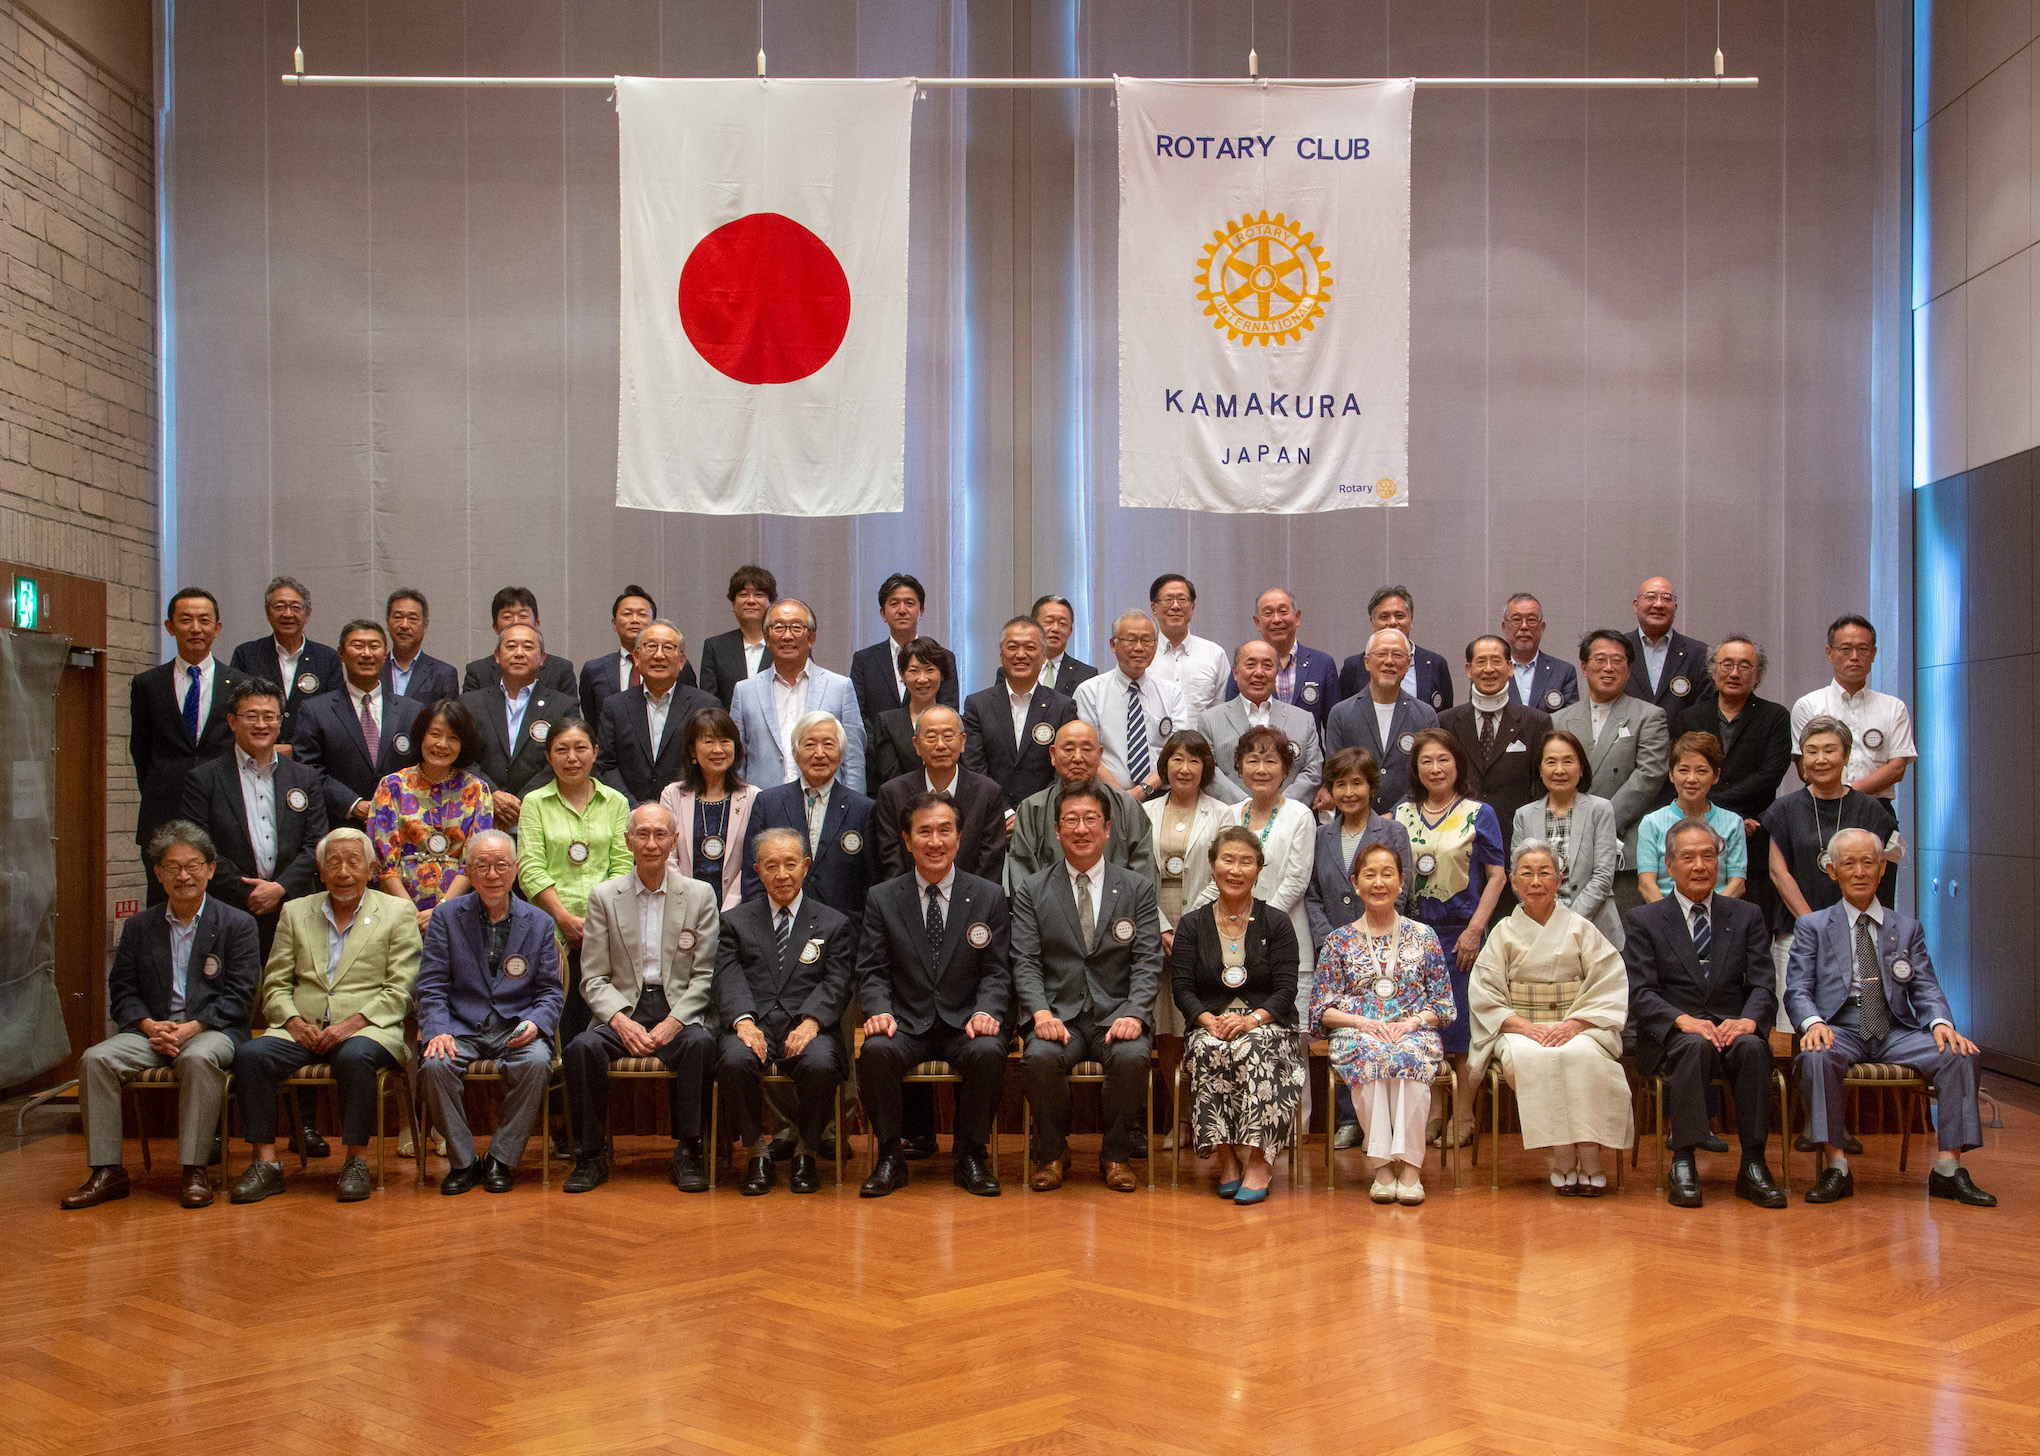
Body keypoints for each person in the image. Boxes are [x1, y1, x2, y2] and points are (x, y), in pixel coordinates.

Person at [1788, 827, 1995, 1207]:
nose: (1860, 871)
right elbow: (1797, 988)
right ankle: (1836, 1167)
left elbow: (1925, 988)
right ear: (1832, 871)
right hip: (1839, 1027)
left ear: (1882, 868)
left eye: (1869, 862)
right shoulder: (1813, 926)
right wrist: (1813, 1023)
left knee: (1961, 1054)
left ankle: (1948, 1170)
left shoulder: (1907, 928)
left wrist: (1942, 1025)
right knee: (1816, 1056)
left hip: (1894, 1030)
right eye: (1849, 863)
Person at [61, 822, 260, 1211]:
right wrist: (149, 1025)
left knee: (198, 1057)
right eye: (172, 867)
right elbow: (122, 990)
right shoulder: (139, 926)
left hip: (212, 1028)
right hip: (152, 1032)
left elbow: (240, 997)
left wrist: (192, 1026)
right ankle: (108, 1171)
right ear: (158, 873)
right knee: (95, 1059)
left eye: (192, 865)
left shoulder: (237, 924)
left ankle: (194, 1169)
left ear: (211, 869)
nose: (183, 876)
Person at [227, 828, 421, 1205]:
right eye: (333, 862)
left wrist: (349, 1026)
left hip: (368, 1028)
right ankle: (265, 1164)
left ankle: (354, 1162)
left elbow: (401, 990)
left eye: (353, 862)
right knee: (251, 1056)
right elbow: (275, 983)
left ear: (371, 869)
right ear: (320, 869)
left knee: (354, 1057)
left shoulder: (397, 913)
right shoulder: (296, 911)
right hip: (302, 1027)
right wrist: (294, 1022)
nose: (343, 871)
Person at [856, 791, 1012, 1199]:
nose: (935, 841)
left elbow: (997, 970)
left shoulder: (988, 895)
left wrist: (987, 1010)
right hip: (906, 1020)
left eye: (945, 830)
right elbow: (871, 970)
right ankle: (891, 1155)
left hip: (965, 1021)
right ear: (907, 841)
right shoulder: (883, 897)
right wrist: (878, 1010)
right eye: (924, 832)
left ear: (959, 838)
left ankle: (971, 1154)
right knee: (875, 1051)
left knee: (988, 1051)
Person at [1623, 817, 1783, 1209]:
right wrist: (1682, 1020)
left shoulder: (1746, 915)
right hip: (1673, 1033)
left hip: (1732, 1028)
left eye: (1708, 856)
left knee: (1753, 1049)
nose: (1700, 866)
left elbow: (1764, 984)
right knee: (1693, 1046)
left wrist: (1749, 1020)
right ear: (1670, 864)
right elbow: (1640, 993)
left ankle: (1754, 1163)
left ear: (1719, 862)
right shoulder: (1645, 920)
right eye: (1688, 857)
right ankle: (1683, 1159)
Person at [1012, 779, 1163, 1192]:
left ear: (1108, 828)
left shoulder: (1136, 888)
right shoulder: (1033, 889)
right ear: (1057, 830)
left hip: (1117, 1014)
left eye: (1091, 819)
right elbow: (1024, 960)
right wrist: (1040, 1012)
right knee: (1039, 1058)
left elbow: (1148, 960)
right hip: (1058, 1014)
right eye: (1071, 820)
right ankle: (1052, 1151)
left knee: (1133, 1057)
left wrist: (1134, 1013)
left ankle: (1115, 1155)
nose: (1081, 829)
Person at [562, 804, 720, 1194]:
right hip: (624, 1007)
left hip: (678, 1008)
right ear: (628, 840)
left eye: (660, 834)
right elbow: (594, 976)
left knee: (700, 1044)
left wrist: (675, 1020)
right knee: (581, 1048)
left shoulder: (699, 895)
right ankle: (591, 1155)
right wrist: (619, 1020)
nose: (652, 843)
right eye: (643, 834)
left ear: (675, 841)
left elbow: (705, 975)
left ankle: (689, 1152)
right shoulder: (604, 896)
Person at [1467, 841, 1634, 1194]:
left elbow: (1608, 979)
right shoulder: (1502, 932)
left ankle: (1590, 1155)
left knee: (1585, 1057)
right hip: (1520, 1027)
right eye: (1526, 873)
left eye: (1545, 873)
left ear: (1559, 879)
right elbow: (1485, 991)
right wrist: (1524, 1026)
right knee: (1532, 1059)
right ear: (1513, 881)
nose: (1536, 881)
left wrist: (1575, 1024)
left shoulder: (1580, 928)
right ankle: (1561, 1154)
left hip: (1577, 1023)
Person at [414, 831, 564, 1195]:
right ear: (467, 870)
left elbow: (549, 991)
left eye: (501, 865)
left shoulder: (540, 922)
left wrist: (536, 1022)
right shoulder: (446, 917)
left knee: (536, 1062)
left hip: (516, 1027)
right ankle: (464, 1161)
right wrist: (436, 1029)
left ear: (515, 869)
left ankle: (501, 1158)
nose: (492, 874)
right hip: (460, 1027)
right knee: (433, 1065)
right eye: (482, 866)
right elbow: (431, 985)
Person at [714, 827, 857, 1194]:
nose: (782, 874)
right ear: (757, 871)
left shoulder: (833, 923)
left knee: (822, 1065)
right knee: (733, 1061)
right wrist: (743, 1022)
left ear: (806, 866)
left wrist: (812, 1022)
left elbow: (837, 981)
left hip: (808, 1023)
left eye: (790, 864)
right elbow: (727, 975)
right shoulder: (735, 921)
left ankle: (806, 1152)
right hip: (753, 1021)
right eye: (771, 865)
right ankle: (756, 1153)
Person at [1311, 843, 1455, 1203]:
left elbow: (1444, 1004)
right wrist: (1360, 1023)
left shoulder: (1424, 937)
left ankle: (1410, 1169)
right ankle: (1382, 1168)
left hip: (1413, 1029)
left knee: (1407, 1055)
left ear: (1402, 881)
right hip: (1357, 1032)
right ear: (1356, 883)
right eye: (1370, 875)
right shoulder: (1338, 941)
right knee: (1371, 1053)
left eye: (1387, 873)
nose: (1379, 883)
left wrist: (1413, 1023)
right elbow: (1321, 1009)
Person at [1170, 826, 1304, 1203]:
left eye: (1246, 861)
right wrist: (1207, 1020)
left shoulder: (1276, 921)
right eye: (1227, 859)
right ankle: (1227, 1158)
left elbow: (1285, 989)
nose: (1235, 869)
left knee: (1255, 1050)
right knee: (1209, 1050)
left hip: (1266, 1023)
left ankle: (1260, 1161)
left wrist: (1251, 1020)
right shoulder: (1193, 924)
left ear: (1259, 870)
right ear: (1212, 865)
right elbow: (1182, 988)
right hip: (1209, 1022)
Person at [1394, 728, 1506, 1145]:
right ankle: (1435, 1110)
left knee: (1460, 1030)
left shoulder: (1480, 812)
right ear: (1415, 768)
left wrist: (1477, 929)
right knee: (1426, 1030)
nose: (1435, 768)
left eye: (1443, 759)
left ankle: (1463, 1115)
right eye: (1426, 761)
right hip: (1414, 937)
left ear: (1457, 764)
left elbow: (1497, 875)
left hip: (1462, 936)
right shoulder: (1400, 814)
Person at [1762, 716, 1899, 1027]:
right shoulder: (1784, 809)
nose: (1820, 759)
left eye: (1829, 750)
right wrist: (1814, 924)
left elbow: (1877, 870)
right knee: (1795, 1023)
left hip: (1859, 933)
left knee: (1858, 1022)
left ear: (1846, 756)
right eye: (1811, 751)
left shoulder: (1870, 809)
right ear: (1802, 760)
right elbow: (1778, 872)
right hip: (1797, 932)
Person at [179, 677, 327, 957]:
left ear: (281, 722)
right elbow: (197, 846)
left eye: (269, 717)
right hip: (229, 908)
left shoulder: (304, 777)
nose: (261, 725)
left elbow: (317, 842)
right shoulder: (204, 779)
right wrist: (247, 890)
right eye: (251, 716)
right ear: (233, 721)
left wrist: (280, 887)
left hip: (294, 908)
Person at [517, 716, 634, 1043]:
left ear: (595, 752)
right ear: (548, 757)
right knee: (556, 1026)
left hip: (606, 930)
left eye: (580, 748)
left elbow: (623, 867)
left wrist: (595, 922)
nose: (572, 758)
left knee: (599, 1029)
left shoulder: (616, 802)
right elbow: (530, 869)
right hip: (548, 931)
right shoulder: (534, 803)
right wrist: (565, 919)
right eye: (561, 750)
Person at [1789, 615, 1916, 908]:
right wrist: (1838, 798)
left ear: (1873, 653)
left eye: (1863, 648)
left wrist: (1850, 795)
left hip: (1876, 812)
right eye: (1845, 649)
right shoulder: (1809, 705)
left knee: (1877, 901)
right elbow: (1805, 768)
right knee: (1824, 896)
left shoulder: (1892, 706)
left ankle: (1873, 955)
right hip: (1821, 812)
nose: (1854, 656)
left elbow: (1896, 768)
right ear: (1829, 653)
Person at [131, 588, 245, 903]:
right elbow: (140, 752)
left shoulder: (239, 683)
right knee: (163, 904)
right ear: (170, 626)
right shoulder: (147, 684)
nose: (196, 628)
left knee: (224, 904)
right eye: (186, 620)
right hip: (163, 814)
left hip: (223, 814)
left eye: (204, 621)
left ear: (217, 628)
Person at [1671, 635, 1791, 924]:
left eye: (1745, 666)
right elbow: (1681, 774)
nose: (1734, 673)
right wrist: (1724, 814)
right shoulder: (1689, 717)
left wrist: (1727, 814)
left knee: (1749, 928)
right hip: (1695, 828)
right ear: (1713, 671)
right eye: (1726, 664)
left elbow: (1769, 775)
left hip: (1754, 833)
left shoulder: (1775, 717)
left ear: (1758, 675)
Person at [1551, 630, 1670, 912]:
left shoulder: (1649, 716)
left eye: (1617, 661)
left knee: (1622, 939)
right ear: (1583, 666)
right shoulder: (1558, 719)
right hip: (1567, 841)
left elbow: (1649, 776)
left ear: (1629, 670)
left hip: (1623, 844)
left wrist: (1599, 824)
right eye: (1600, 659)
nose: (1608, 667)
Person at [1198, 727, 1315, 1007]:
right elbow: (1220, 876)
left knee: (1292, 1037)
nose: (1261, 769)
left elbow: (1296, 881)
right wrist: (1191, 918)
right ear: (1240, 768)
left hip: (1287, 939)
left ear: (1286, 770)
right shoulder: (1231, 813)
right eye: (1252, 760)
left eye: (1271, 761)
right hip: (1233, 943)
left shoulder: (1300, 815)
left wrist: (1260, 926)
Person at [366, 698, 495, 929]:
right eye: (435, 734)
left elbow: (473, 862)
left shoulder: (477, 790)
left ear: (464, 744)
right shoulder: (393, 786)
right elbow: (384, 862)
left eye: (453, 737)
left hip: (458, 912)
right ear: (421, 736)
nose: (442, 744)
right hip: (398, 911)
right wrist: (410, 914)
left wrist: (442, 909)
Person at [740, 711, 881, 917]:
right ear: (796, 753)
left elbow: (871, 883)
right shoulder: (768, 803)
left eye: (829, 744)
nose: (819, 753)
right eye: (810, 744)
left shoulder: (863, 809)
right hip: (779, 927)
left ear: (841, 754)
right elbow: (752, 876)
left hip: (843, 931)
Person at [294, 619, 423, 827]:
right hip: (339, 826)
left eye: (374, 646)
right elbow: (308, 769)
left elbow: (422, 767)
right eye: (357, 646)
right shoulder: (316, 710)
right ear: (341, 653)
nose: (366, 654)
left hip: (402, 826)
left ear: (385, 653)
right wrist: (352, 804)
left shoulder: (412, 710)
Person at [730, 598, 867, 791]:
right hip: (762, 803)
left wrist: (854, 811)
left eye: (796, 627)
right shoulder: (745, 691)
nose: (787, 636)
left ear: (811, 638)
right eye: (778, 627)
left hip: (826, 803)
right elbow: (737, 762)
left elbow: (854, 761)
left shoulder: (840, 687)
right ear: (767, 638)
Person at [1439, 634, 1551, 869]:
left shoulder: (1536, 721)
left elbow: (1540, 787)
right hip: (1456, 845)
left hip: (1515, 845)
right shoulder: (1446, 722)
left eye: (1496, 661)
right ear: (1469, 669)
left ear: (1510, 667)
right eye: (1481, 662)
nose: (1488, 669)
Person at [1005, 719, 1158, 888]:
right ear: (1053, 755)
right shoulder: (1032, 809)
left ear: (1100, 755)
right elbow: (1022, 879)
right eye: (1069, 749)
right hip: (1048, 911)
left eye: (1086, 749)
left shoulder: (1127, 806)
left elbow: (1144, 877)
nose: (1077, 758)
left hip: (1118, 911)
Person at [1513, 729, 1624, 948]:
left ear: (1581, 769)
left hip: (1594, 929)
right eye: (1551, 762)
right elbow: (1519, 876)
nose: (1559, 770)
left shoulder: (1600, 809)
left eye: (1568, 761)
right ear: (1540, 769)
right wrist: (1545, 920)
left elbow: (1602, 876)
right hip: (1538, 930)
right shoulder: (1524, 815)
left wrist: (1567, 922)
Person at [460, 623, 576, 831]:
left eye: (528, 647)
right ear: (497, 655)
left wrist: (522, 802)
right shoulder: (470, 703)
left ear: (542, 658)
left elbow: (564, 760)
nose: (519, 653)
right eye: (511, 646)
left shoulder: (563, 706)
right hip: (480, 813)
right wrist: (492, 793)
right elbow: (463, 757)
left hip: (542, 815)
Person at [872, 704, 1007, 881]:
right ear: (917, 745)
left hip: (972, 902)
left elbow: (990, 864)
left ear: (963, 741)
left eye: (948, 736)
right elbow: (892, 865)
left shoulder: (988, 793)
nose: (940, 745)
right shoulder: (892, 794)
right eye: (930, 737)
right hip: (909, 902)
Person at [594, 619, 717, 806]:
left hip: (688, 810)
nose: (659, 655)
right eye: (651, 647)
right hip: (628, 814)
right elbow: (606, 764)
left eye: (668, 648)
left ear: (682, 661)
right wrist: (632, 807)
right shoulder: (615, 706)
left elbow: (712, 762)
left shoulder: (705, 705)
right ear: (636, 657)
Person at [962, 615, 1079, 812]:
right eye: (1012, 647)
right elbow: (973, 767)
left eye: (1030, 648)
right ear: (1001, 655)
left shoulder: (1063, 707)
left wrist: (1032, 814)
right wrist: (1005, 812)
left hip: (1045, 817)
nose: (1021, 654)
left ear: (1043, 656)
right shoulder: (977, 705)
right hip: (992, 818)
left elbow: (1064, 770)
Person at [1075, 609, 1190, 803]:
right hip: (1105, 797)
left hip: (1162, 797)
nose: (1139, 648)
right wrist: (1122, 796)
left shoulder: (1171, 693)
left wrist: (1143, 790)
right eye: (1130, 640)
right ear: (1113, 644)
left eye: (1147, 641)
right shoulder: (1089, 692)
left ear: (1155, 646)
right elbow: (1088, 753)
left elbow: (1178, 751)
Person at [1320, 628, 1438, 812]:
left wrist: (1394, 815)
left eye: (1397, 655)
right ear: (1367, 662)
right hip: (1355, 821)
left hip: (1409, 822)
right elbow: (1335, 775)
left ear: (1407, 664)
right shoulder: (1341, 714)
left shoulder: (1425, 715)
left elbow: (1427, 775)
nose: (1389, 661)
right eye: (1381, 653)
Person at [657, 706, 760, 911]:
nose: (718, 750)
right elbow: (667, 856)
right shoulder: (672, 795)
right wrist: (689, 902)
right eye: (709, 741)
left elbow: (751, 864)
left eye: (725, 741)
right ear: (693, 750)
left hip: (737, 910)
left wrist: (729, 911)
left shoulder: (753, 797)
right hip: (680, 905)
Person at [1200, 639, 1323, 807]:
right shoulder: (1210, 720)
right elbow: (1209, 772)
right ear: (1235, 672)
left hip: (1288, 822)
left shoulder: (1304, 719)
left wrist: (1281, 807)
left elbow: (1313, 771)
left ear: (1277, 672)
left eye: (1267, 666)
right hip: (1231, 820)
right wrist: (1246, 807)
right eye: (1250, 665)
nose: (1259, 672)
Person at [228, 576, 341, 750]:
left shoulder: (327, 658)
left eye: (295, 608)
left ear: (307, 613)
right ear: (267, 612)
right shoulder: (246, 654)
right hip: (255, 755)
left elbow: (333, 716)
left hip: (310, 759)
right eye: (279, 607)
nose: (287, 614)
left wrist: (295, 749)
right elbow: (236, 709)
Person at [1636, 733, 1747, 902]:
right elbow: (1646, 884)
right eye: (1683, 770)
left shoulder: (1733, 822)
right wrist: (1671, 920)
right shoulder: (1652, 823)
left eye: (1701, 771)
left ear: (1716, 776)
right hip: (1667, 917)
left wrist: (1712, 916)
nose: (1691, 779)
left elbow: (1737, 884)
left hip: (1718, 916)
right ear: (1671, 774)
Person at [851, 573, 962, 736]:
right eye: (894, 604)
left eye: (909, 603)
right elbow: (859, 716)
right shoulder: (864, 660)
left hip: (929, 753)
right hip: (878, 755)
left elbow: (948, 710)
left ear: (921, 611)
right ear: (883, 613)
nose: (902, 610)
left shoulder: (943, 657)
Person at [580, 584, 699, 727]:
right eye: (627, 614)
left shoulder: (676, 665)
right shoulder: (594, 669)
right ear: (614, 623)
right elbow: (592, 722)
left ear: (654, 622)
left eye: (642, 614)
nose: (634, 620)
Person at [1222, 587, 1341, 731]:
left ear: (1297, 617)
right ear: (1257, 622)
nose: (1276, 619)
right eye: (1268, 613)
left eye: (1283, 612)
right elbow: (1230, 720)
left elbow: (1334, 727)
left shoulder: (1322, 663)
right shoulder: (1244, 667)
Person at [1337, 586, 1454, 712]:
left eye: (1399, 616)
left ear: (1411, 620)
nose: (1392, 622)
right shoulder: (1353, 667)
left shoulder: (1435, 664)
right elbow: (1344, 716)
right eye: (1384, 617)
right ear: (1372, 623)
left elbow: (1444, 718)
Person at [867, 636, 957, 790]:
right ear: (902, 675)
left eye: (930, 670)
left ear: (941, 674)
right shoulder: (887, 723)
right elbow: (891, 779)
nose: (922, 679)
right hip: (903, 806)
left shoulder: (956, 722)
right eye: (914, 671)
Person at [460, 586, 577, 697]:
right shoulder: (478, 672)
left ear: (537, 623)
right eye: (507, 617)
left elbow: (570, 716)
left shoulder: (560, 670)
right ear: (495, 626)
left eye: (523, 615)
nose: (516, 621)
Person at [1624, 576, 1714, 719]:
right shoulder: (1619, 649)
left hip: (1680, 740)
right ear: (1636, 605)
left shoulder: (1699, 653)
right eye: (1651, 597)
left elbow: (1704, 710)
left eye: (1667, 598)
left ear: (1675, 608)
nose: (1659, 604)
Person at [1147, 574, 1229, 722]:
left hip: (1201, 744)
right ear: (1154, 608)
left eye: (1182, 599)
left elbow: (1222, 710)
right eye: (1168, 600)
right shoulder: (1143, 655)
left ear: (1192, 607)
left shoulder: (1215, 654)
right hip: (1155, 745)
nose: (1175, 606)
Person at [697, 565, 777, 710]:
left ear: (771, 604)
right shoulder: (715, 647)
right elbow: (709, 702)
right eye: (743, 594)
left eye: (759, 595)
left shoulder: (787, 644)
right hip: (729, 731)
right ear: (733, 604)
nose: (751, 601)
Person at [1500, 593, 1579, 711]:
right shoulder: (1491, 671)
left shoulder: (1563, 672)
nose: (1524, 626)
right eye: (1516, 620)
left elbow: (1569, 720)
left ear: (1542, 628)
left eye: (1531, 620)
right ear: (1504, 628)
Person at [381, 587, 459, 705]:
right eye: (398, 617)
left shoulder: (443, 674)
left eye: (412, 619)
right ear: (387, 623)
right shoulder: (374, 669)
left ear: (425, 626)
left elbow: (447, 721)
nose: (404, 625)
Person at [1024, 594, 1096, 694]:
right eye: (1049, 622)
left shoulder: (1086, 674)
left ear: (1070, 631)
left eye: (1062, 624)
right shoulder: (1015, 669)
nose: (1055, 629)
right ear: (1033, 626)